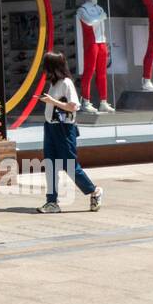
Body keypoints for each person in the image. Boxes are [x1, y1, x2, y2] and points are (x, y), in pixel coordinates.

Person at [38, 50, 103, 214]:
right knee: (51, 165)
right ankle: (51, 201)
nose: (44, 69)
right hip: (50, 127)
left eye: (46, 66)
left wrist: (51, 101)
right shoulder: (54, 83)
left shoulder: (66, 83)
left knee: (69, 164)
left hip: (64, 128)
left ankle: (94, 190)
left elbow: (73, 106)